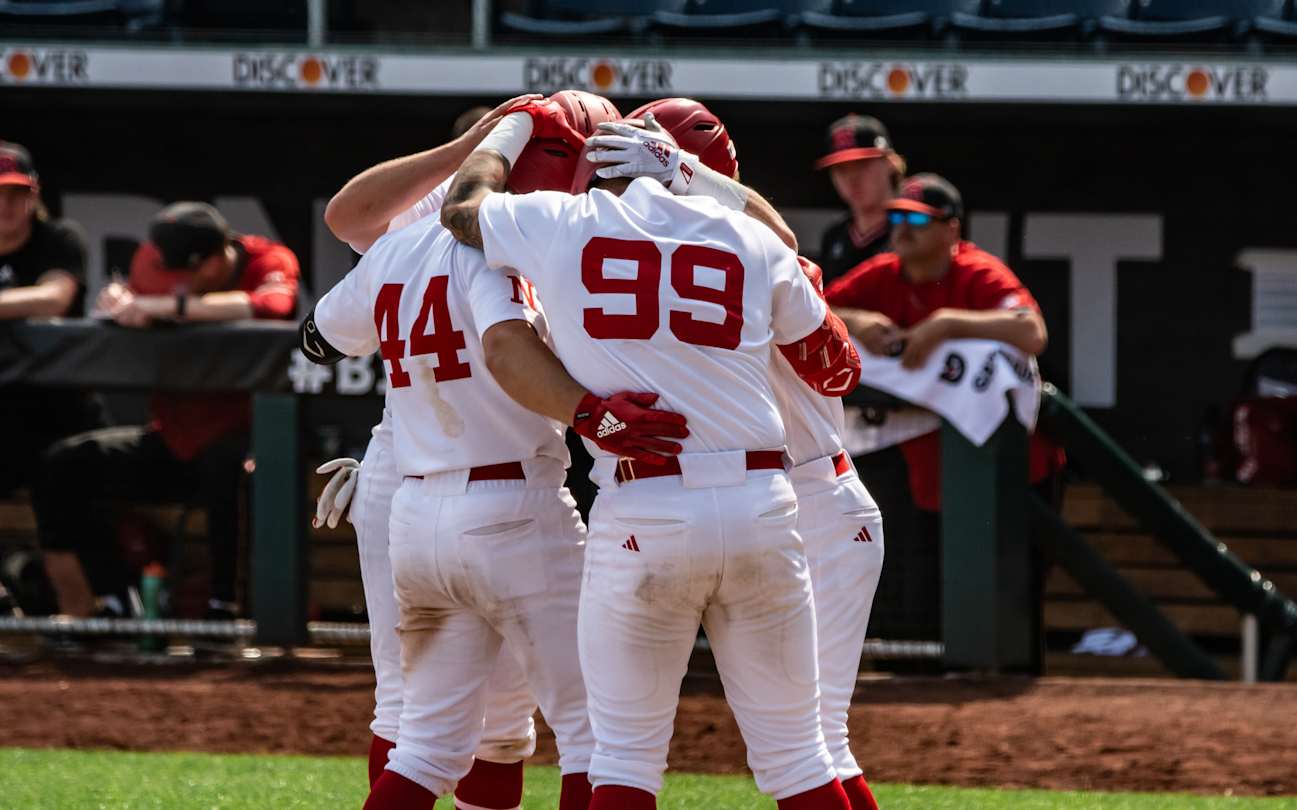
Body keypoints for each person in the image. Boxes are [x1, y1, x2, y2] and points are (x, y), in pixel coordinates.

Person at [441, 103, 861, 810]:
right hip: (764, 502)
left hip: (647, 501)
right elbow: (838, 368)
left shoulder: (558, 222)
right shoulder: (745, 233)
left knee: (625, 761)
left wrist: (505, 133)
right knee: (801, 759)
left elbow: (463, 208)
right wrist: (698, 181)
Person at [305, 92, 683, 810]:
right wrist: (593, 417)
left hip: (418, 504)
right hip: (512, 504)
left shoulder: (402, 245)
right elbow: (507, 348)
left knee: (429, 742)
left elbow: (319, 339)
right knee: (598, 737)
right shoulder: (513, 244)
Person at [594, 97, 887, 810]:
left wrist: (684, 176)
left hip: (815, 495)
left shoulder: (765, 254)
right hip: (755, 504)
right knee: (802, 748)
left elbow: (835, 369)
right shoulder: (650, 259)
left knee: (814, 740)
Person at [826, 173, 1063, 664]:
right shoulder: (882, 272)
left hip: (1012, 469)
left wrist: (946, 324)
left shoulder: (975, 271)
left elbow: (1032, 331)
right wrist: (857, 320)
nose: (902, 229)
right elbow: (808, 307)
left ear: (952, 230)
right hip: (924, 469)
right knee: (920, 589)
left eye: (917, 219)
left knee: (1009, 595)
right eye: (896, 217)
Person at [31, 202, 299, 619]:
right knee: (64, 465)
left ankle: (223, 610)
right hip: (172, 439)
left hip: (242, 446)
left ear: (214, 261)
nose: (174, 282)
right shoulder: (151, 260)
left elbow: (276, 306)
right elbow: (124, 301)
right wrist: (120, 302)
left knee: (222, 464)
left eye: (186, 273)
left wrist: (163, 308)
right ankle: (116, 600)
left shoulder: (267, 258)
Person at [0, 141, 106, 518]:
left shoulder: (59, 238)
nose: (6, 205)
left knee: (66, 538)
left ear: (35, 193)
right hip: (5, 411)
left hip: (57, 412)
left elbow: (54, 297)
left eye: (17, 193)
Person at [814, 114, 906, 285]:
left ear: (891, 162)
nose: (852, 179)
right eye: (841, 169)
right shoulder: (834, 235)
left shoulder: (913, 228)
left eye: (862, 165)